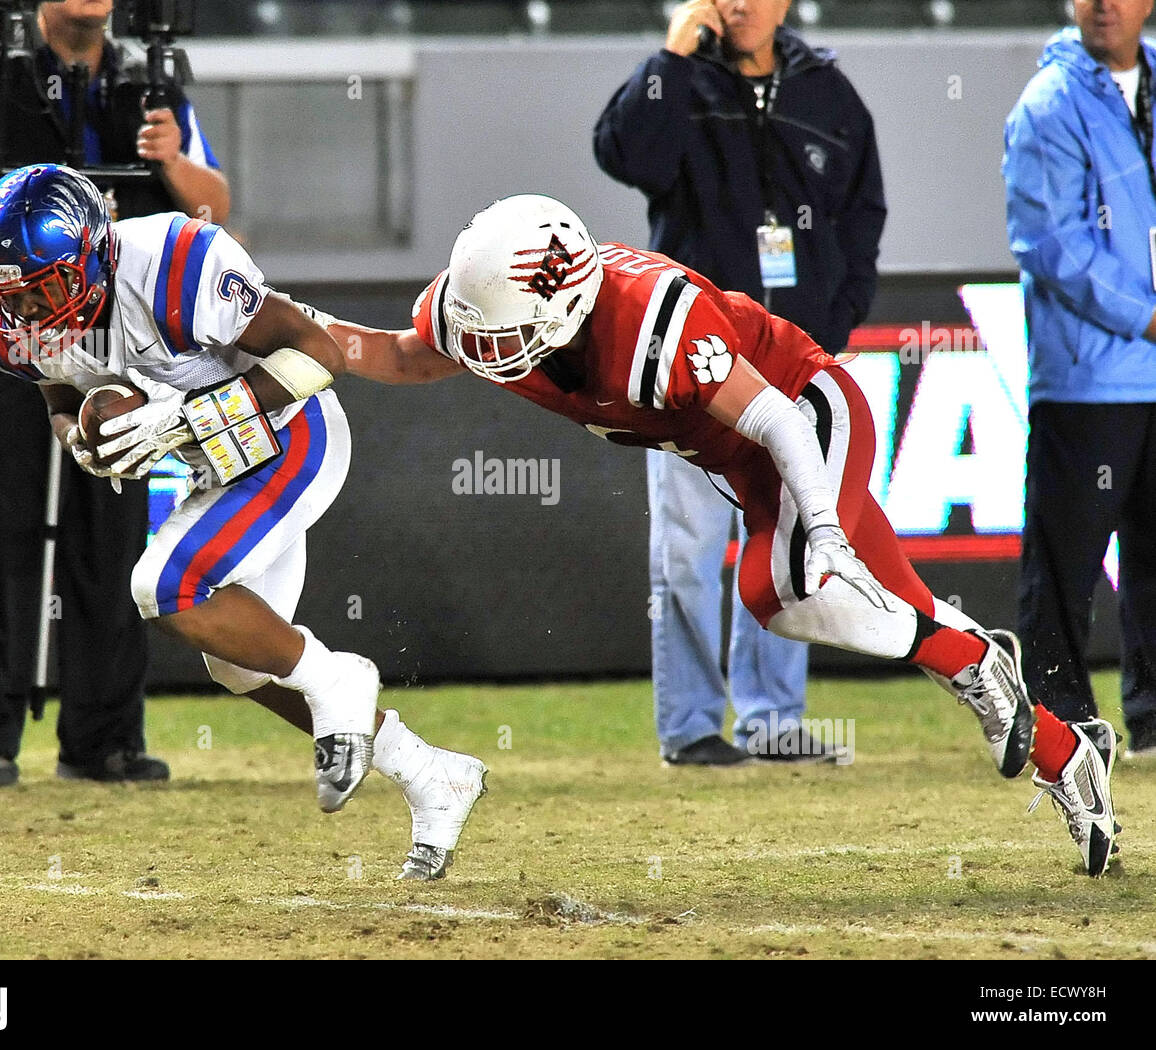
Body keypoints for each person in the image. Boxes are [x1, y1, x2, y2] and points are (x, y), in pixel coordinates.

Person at [323, 193, 1121, 877]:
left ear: (563, 307)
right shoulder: (491, 297)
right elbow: (401, 355)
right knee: (897, 621)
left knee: (776, 592)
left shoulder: (650, 323)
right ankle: (1066, 752)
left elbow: (775, 416)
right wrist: (295, 330)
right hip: (739, 462)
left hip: (806, 417)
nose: (479, 350)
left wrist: (823, 523)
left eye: (495, 333)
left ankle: (978, 655)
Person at [0, 163, 487, 880]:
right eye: (10, 296)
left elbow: (320, 355)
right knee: (239, 660)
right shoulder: (24, 329)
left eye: (41, 290)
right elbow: (58, 393)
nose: (26, 314)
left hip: (290, 436)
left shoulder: (172, 265)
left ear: (89, 256)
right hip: (220, 463)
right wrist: (79, 441)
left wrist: (180, 421)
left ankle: (341, 681)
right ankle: (432, 774)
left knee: (165, 585)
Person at [0, 0, 229, 785]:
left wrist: (172, 160)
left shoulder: (147, 78)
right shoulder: (0, 66)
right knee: (2, 536)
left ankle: (104, 740)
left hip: (118, 346)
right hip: (7, 342)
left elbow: (216, 209)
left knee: (112, 542)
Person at [594, 0, 886, 765]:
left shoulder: (830, 93)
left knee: (786, 538)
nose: (737, 3)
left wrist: (833, 324)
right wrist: (671, 59)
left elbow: (863, 218)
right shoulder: (679, 80)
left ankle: (773, 720)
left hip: (787, 359)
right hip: (688, 366)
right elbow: (626, 156)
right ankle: (691, 728)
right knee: (687, 550)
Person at [1005, 0, 1156, 761]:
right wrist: (1149, 317)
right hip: (1087, 376)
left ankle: (1153, 722)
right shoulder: (1049, 104)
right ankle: (1058, 727)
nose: (1106, 4)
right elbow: (1051, 246)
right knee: (1065, 563)